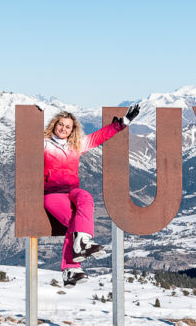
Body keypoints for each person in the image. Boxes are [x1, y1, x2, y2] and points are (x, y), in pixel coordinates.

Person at [44, 105, 140, 286]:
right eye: (61, 124)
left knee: (86, 197)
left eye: (68, 126)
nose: (63, 129)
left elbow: (99, 137)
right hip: (53, 193)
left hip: (72, 190)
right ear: (54, 125)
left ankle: (82, 242)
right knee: (73, 221)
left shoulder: (76, 145)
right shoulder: (43, 144)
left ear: (72, 130)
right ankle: (71, 269)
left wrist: (123, 123)